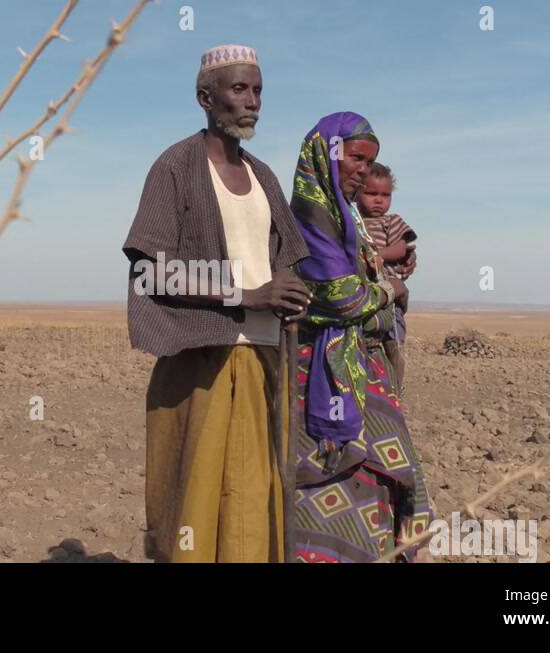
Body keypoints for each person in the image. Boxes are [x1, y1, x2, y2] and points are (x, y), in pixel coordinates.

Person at [121, 44, 310, 562]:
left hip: (264, 353)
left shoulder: (264, 176)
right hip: (200, 357)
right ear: (206, 98)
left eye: (258, 90)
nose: (252, 101)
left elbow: (288, 257)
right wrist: (248, 294)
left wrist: (289, 292)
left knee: (254, 495)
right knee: (196, 497)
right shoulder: (175, 167)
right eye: (239, 89)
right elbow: (151, 267)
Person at [288, 111, 431, 562]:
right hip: (321, 378)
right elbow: (343, 297)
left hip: (363, 371)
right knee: (329, 486)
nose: (364, 171)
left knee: (382, 481)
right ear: (327, 155)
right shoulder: (310, 218)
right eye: (356, 158)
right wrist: (390, 290)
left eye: (371, 164)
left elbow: (380, 270)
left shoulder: (344, 216)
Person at [356, 162, 418, 394]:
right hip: (365, 297)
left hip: (390, 298)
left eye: (385, 195)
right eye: (371, 193)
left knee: (394, 343)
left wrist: (377, 256)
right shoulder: (353, 221)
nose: (379, 200)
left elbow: (401, 249)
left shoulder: (391, 221)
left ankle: (396, 385)